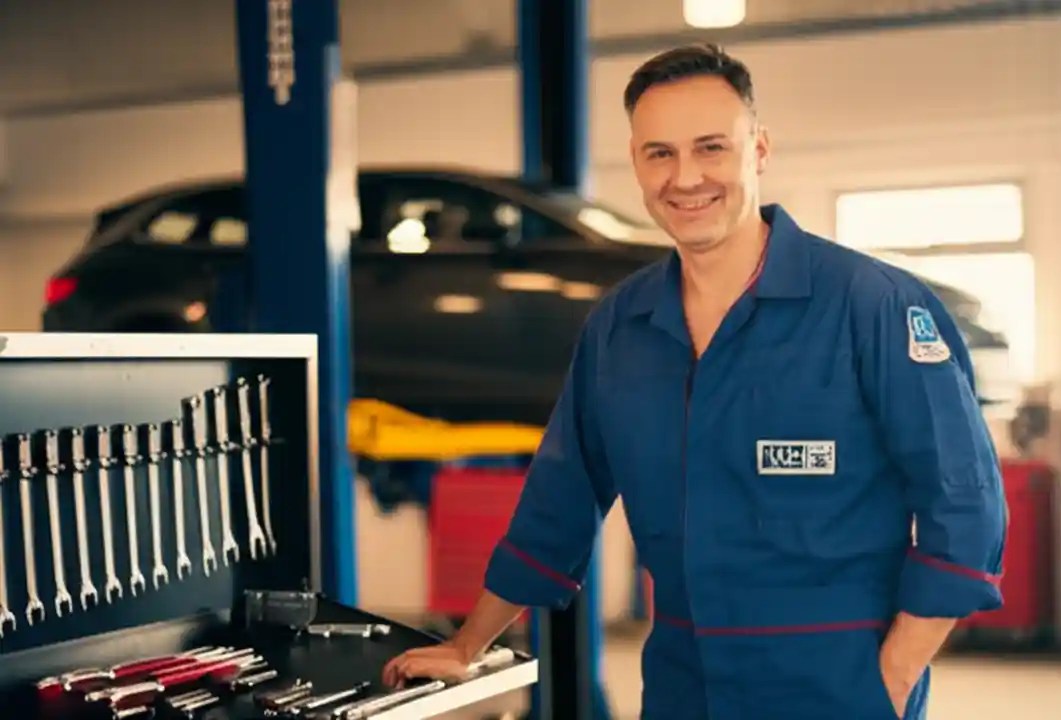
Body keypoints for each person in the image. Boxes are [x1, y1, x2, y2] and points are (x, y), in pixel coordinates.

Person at [382, 43, 1008, 719]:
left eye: (711, 148)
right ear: (636, 163)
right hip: (684, 680)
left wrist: (890, 679)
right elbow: (556, 503)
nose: (686, 178)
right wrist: (470, 642)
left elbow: (965, 505)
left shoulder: (872, 306)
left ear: (759, 149)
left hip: (839, 679)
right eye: (660, 153)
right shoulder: (620, 329)